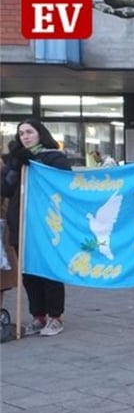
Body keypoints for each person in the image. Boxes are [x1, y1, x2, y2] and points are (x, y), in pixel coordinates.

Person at [1, 120, 73, 336]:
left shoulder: (54, 157)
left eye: (29, 132)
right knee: (28, 272)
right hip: (20, 222)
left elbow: (64, 184)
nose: (25, 136)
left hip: (45, 222)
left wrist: (36, 165)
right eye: (21, 133)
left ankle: (55, 316)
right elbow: (5, 188)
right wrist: (15, 166)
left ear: (40, 133)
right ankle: (38, 315)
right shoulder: (16, 159)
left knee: (48, 270)